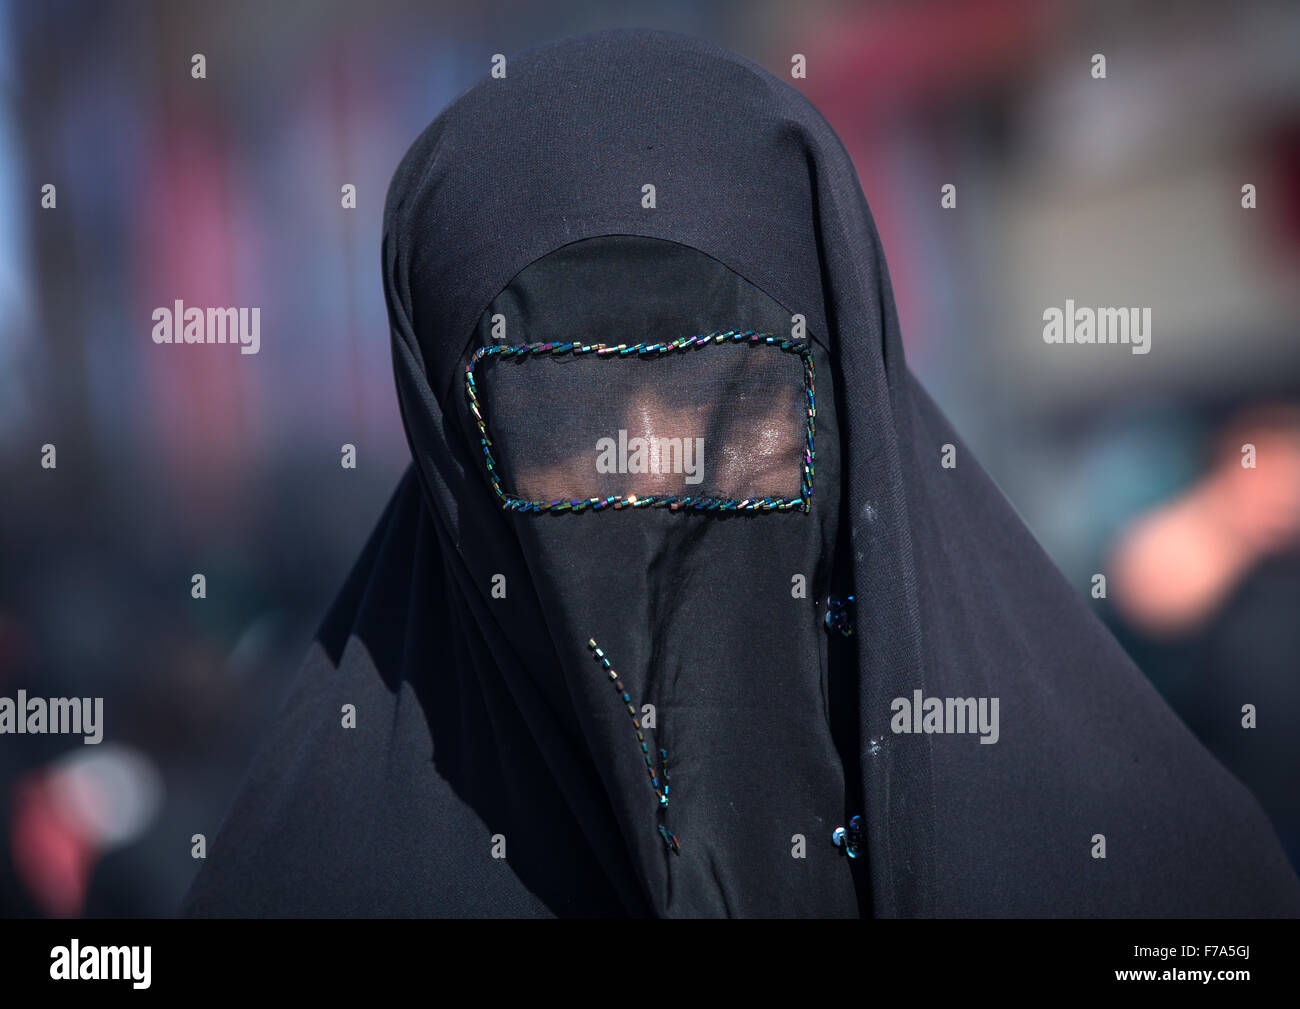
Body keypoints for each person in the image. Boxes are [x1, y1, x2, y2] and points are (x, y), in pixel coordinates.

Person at [181, 29, 1300, 917]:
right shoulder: (320, 885)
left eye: (730, 407)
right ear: (457, 452)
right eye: (570, 422)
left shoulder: (1141, 872)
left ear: (843, 394)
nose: (655, 478)